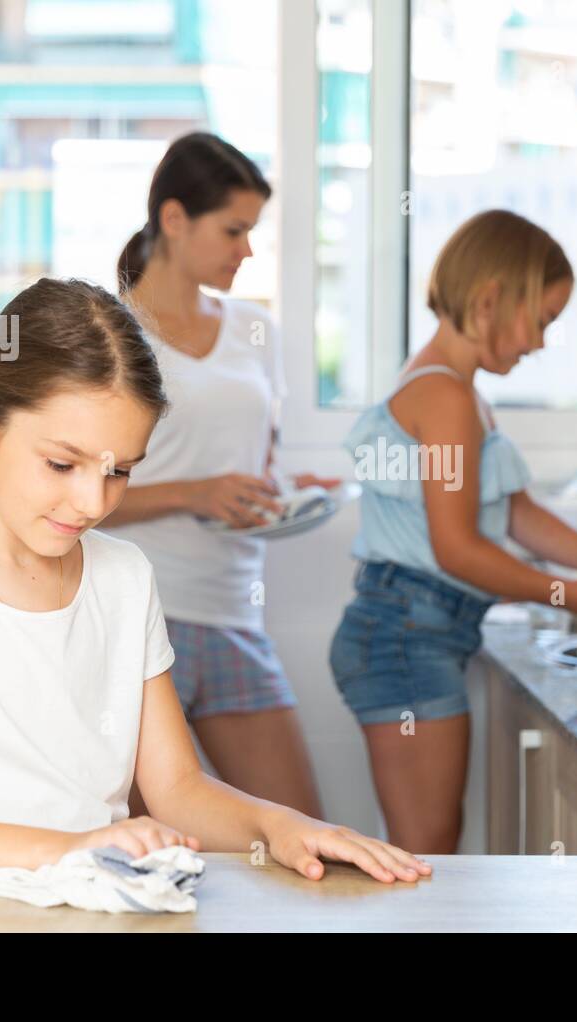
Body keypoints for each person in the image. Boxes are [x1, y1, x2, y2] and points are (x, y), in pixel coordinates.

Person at [0, 277, 430, 886]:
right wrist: (70, 849)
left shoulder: (123, 577)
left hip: (92, 908)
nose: (90, 502)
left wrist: (277, 825)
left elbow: (175, 788)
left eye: (120, 472)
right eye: (62, 463)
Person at [328, 210, 577, 854]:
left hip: (410, 633)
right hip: (404, 639)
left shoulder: (461, 393)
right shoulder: (444, 398)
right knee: (424, 855)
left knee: (424, 853)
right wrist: (568, 594)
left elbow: (518, 514)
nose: (541, 343)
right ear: (492, 298)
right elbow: (456, 548)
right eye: (543, 320)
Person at [103, 132, 332, 818]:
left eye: (252, 231)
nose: (248, 250)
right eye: (234, 230)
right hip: (139, 616)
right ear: (175, 219)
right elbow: (74, 498)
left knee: (300, 839)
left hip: (234, 615)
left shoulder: (255, 332)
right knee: (143, 858)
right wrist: (195, 494)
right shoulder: (112, 333)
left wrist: (288, 494)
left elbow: (255, 467)